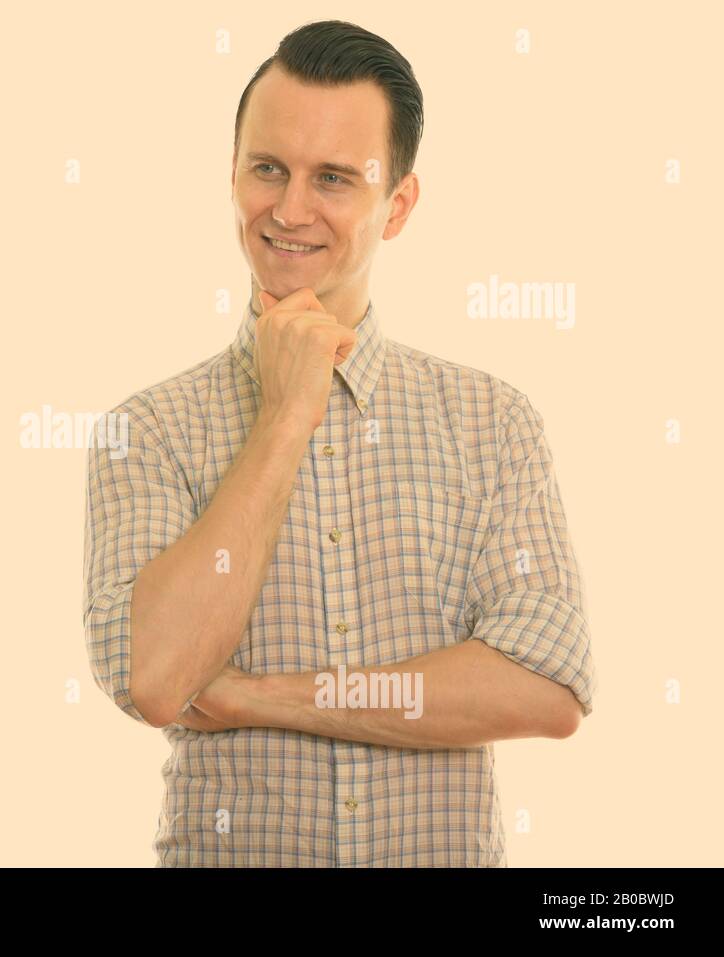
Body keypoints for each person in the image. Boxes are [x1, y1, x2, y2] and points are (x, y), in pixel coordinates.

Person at [82, 19, 596, 867]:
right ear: (232, 175)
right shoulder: (146, 431)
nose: (289, 211)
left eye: (333, 179)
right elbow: (157, 677)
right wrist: (284, 418)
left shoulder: (492, 421)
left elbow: (547, 686)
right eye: (268, 169)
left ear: (397, 206)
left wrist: (262, 697)